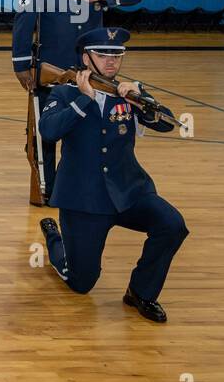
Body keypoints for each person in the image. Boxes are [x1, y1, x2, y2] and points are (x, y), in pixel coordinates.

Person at [38, 28, 186, 323]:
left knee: (172, 225)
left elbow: (169, 123)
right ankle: (55, 238)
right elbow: (49, 131)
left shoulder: (128, 93)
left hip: (128, 192)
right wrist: (85, 100)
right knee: (81, 283)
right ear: (85, 57)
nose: (110, 61)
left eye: (116, 55)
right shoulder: (64, 92)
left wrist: (141, 100)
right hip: (84, 199)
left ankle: (140, 292)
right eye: (103, 54)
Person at [11, 0, 142, 205]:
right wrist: (21, 65)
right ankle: (48, 188)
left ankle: (84, 186)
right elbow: (23, 25)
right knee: (47, 131)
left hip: (89, 71)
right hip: (52, 70)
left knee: (88, 127)